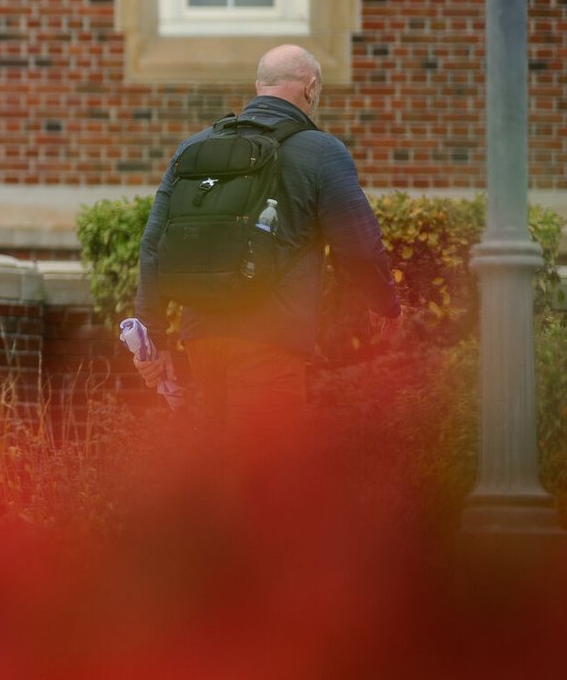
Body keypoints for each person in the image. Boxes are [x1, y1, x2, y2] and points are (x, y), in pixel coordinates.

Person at [131, 43, 398, 412]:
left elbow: (152, 245)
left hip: (201, 339)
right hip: (271, 340)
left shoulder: (194, 147)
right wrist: (386, 305)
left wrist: (153, 338)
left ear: (260, 86)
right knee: (266, 464)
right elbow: (359, 247)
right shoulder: (321, 152)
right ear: (311, 87)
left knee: (221, 461)